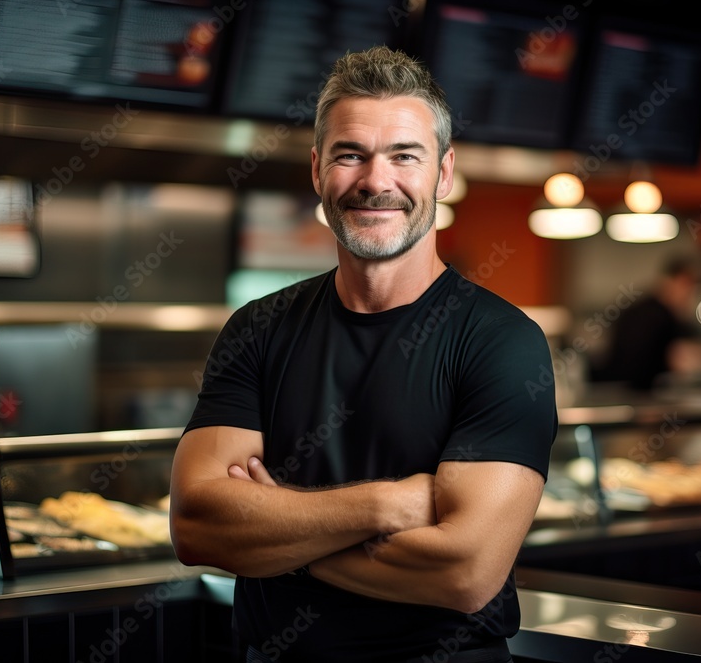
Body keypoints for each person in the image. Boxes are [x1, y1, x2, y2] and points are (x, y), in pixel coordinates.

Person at [169, 46, 558, 662]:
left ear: (444, 173)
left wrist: (280, 536)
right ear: (319, 169)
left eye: (405, 156)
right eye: (351, 154)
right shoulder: (258, 328)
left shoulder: (500, 340)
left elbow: (465, 572)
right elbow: (197, 528)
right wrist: (389, 503)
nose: (377, 181)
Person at [594, 257, 701, 390]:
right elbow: (679, 353)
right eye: (686, 286)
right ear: (669, 282)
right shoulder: (660, 316)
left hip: (619, 390)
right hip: (634, 394)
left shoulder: (641, 307)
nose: (689, 294)